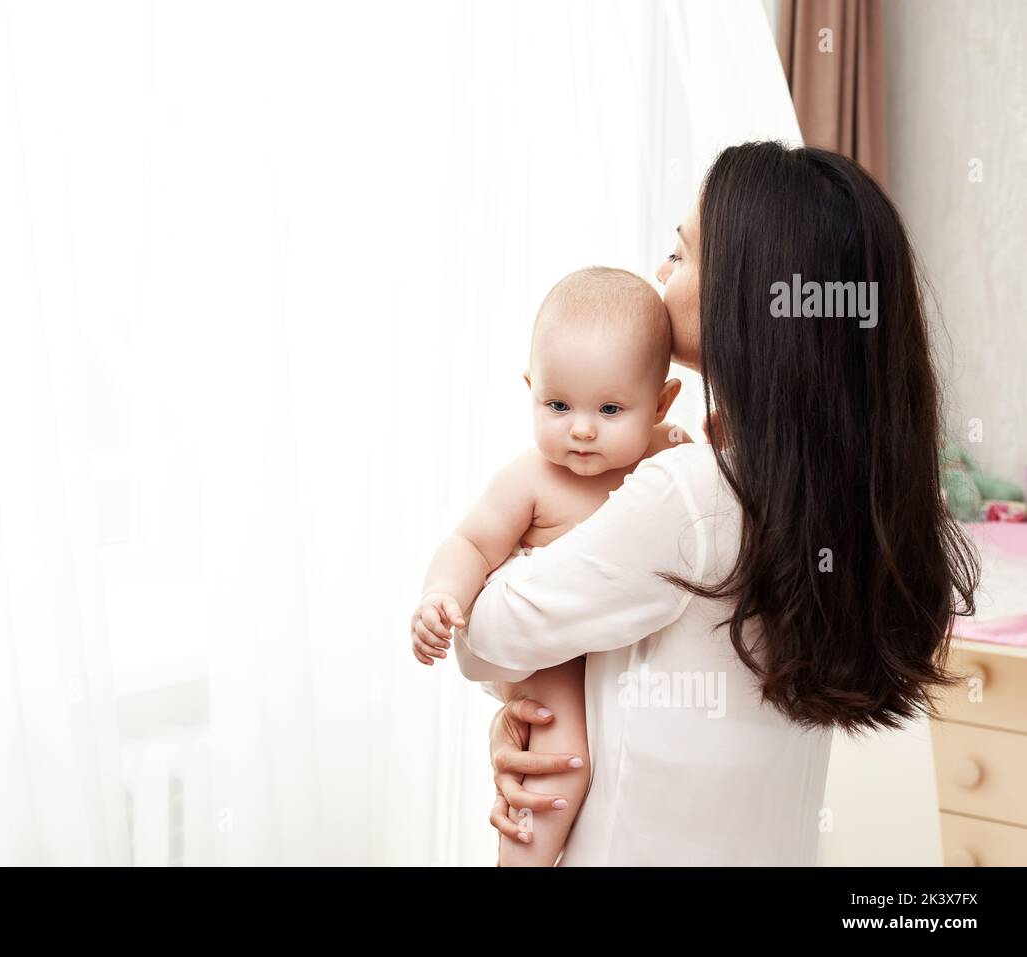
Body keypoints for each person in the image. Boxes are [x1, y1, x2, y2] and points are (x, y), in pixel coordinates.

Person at [454, 140, 980, 866]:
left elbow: (486, 632)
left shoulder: (691, 494)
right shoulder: (838, 494)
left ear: (746, 293)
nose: (661, 275)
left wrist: (527, 669)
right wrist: (539, 713)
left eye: (681, 254)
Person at [411, 266, 690, 865]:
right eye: (557, 405)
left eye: (611, 408)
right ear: (531, 387)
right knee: (563, 761)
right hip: (556, 658)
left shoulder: (671, 459)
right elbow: (472, 544)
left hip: (631, 666)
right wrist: (441, 595)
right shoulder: (531, 479)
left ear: (662, 402)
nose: (582, 430)